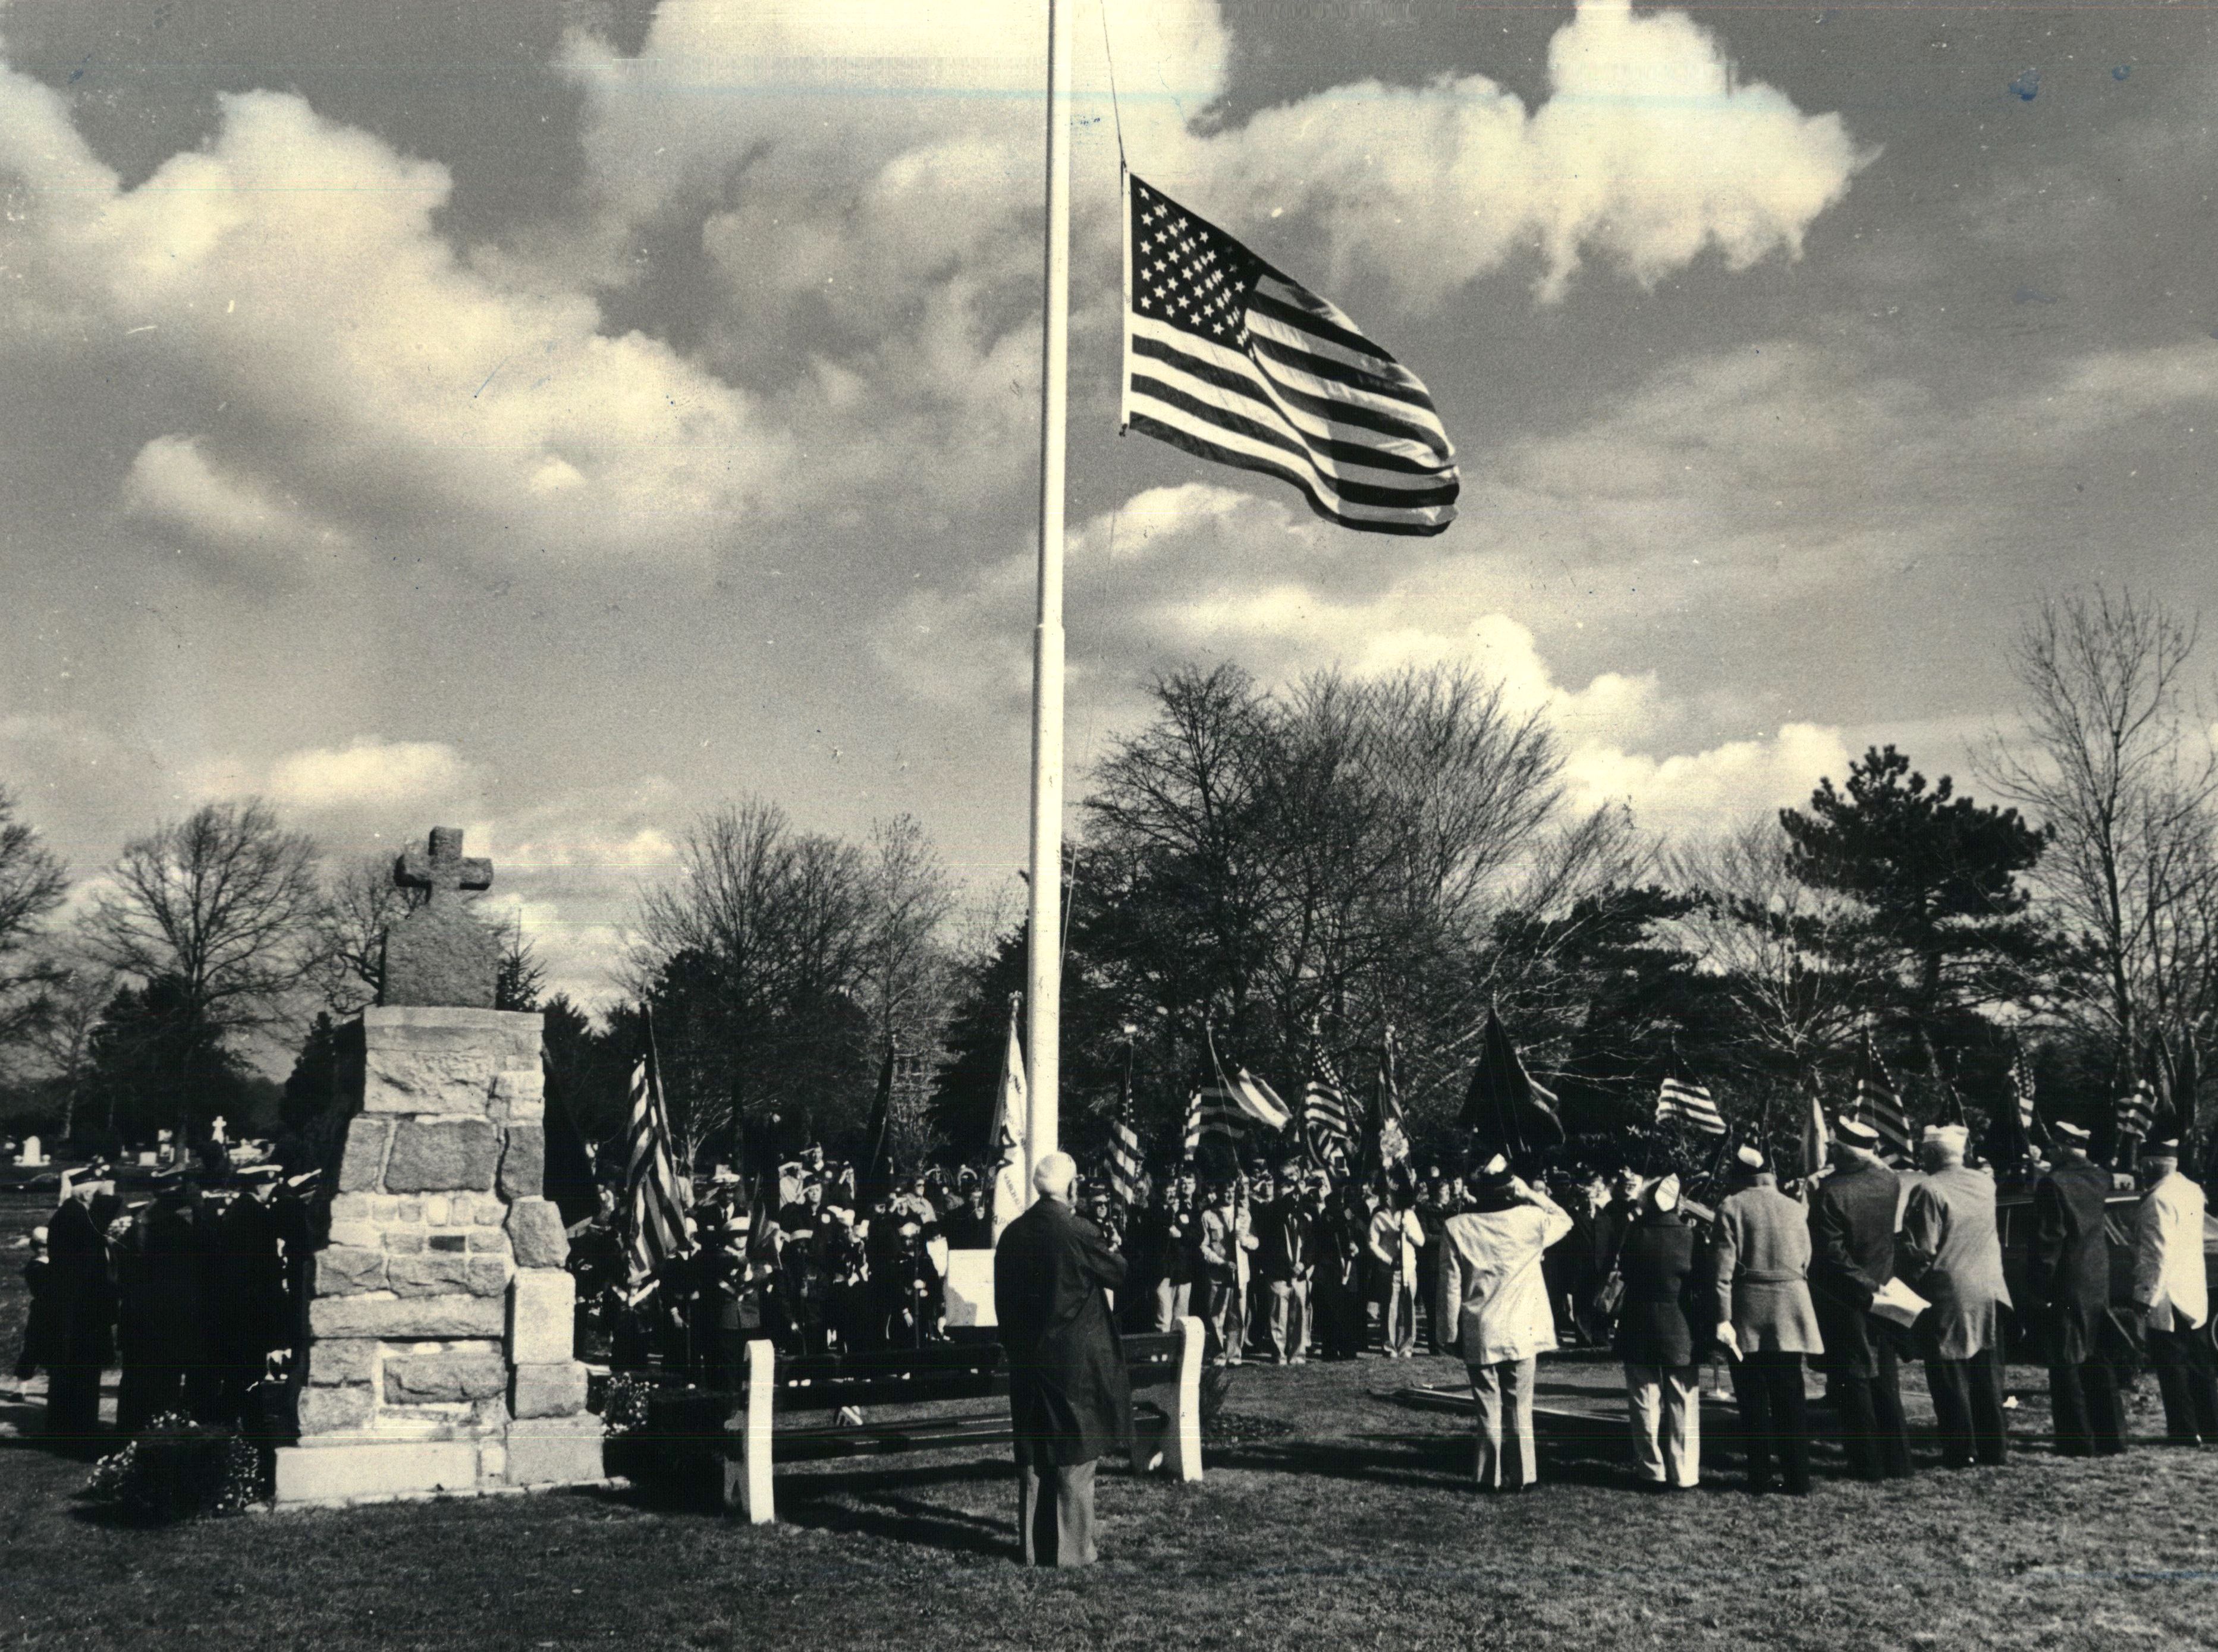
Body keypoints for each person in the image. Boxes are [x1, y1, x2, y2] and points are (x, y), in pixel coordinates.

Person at [993, 1151, 1128, 1568]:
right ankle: (1074, 1550)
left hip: (1028, 1358)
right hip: (1073, 1360)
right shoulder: (1078, 1231)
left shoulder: (1013, 1233)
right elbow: (1121, 1274)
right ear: (1070, 1188)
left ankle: (1033, 1548)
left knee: (1034, 1454)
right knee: (1075, 1452)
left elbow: (1003, 1300)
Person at [1436, 1157, 1574, 1491]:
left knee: (1487, 1407)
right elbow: (1565, 1220)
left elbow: (1449, 1286)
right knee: (1520, 1406)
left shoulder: (1458, 1226)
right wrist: (1530, 1193)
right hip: (1522, 1329)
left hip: (1481, 1327)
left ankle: (1488, 1476)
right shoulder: (1530, 1220)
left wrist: (1447, 1333)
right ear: (1510, 1189)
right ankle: (1524, 1475)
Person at [1711, 1144, 1824, 1495]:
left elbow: (1721, 1274)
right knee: (1791, 1395)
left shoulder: (1731, 1207)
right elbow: (1806, 1258)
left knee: (1753, 1399)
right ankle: (1798, 1478)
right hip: (1792, 1305)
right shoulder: (1794, 1207)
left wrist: (1722, 1318)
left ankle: (1759, 1478)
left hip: (1749, 1309)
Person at [1898, 1123, 2012, 1469]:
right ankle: (1995, 1449)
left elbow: (1922, 1249)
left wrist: (1905, 1278)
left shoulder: (1929, 1190)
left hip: (1949, 1293)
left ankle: (1961, 1450)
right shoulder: (1984, 1183)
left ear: (1932, 1155)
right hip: (1990, 1289)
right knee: (1987, 1374)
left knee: (1949, 1376)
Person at [1808, 1117, 1915, 1480]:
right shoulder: (1889, 1181)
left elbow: (1832, 1255)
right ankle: (1898, 1460)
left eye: (1835, 1148)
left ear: (1844, 1152)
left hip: (1847, 1298)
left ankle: (1867, 1463)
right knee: (1885, 1380)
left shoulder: (1832, 1192)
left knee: (1854, 1383)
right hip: (1885, 1292)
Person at [2030, 1121, 2127, 1456]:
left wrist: (2038, 1287)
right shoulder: (2100, 1178)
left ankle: (2076, 1439)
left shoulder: (2053, 1183)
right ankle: (2112, 1435)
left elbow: (2049, 1241)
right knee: (2097, 1358)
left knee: (2066, 1360)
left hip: (2067, 1279)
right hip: (2096, 1277)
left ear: (2061, 1148)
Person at [1614, 1173, 1703, 1491]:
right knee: (1683, 1398)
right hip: (1680, 1323)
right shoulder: (1691, 1237)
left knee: (1644, 1398)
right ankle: (1684, 1471)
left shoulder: (1635, 1231)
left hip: (1638, 1320)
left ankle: (1651, 1469)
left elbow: (1624, 1269)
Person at [2132, 1136, 2217, 1446]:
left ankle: (2184, 1430)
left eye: (2143, 1164)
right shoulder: (2192, 1191)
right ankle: (2210, 1425)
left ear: (2153, 1164)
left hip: (2168, 1294)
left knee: (2173, 1369)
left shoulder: (2158, 1200)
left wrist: (2145, 1297)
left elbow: (2157, 1255)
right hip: (2193, 1290)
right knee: (2200, 1364)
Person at [43, 1172, 116, 1451]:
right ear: (87, 1194)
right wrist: (108, 1197)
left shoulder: (70, 1215)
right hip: (80, 1311)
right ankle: (78, 1431)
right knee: (81, 1373)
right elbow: (97, 1227)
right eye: (97, 1194)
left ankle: (70, 1428)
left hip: (74, 1309)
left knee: (72, 1372)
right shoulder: (75, 1217)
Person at [1255, 1170, 1317, 1364]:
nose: (1290, 1191)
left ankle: (1297, 1354)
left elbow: (1312, 1243)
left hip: (1299, 1273)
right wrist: (1294, 1193)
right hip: (1278, 1273)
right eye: (1286, 1186)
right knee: (1278, 1317)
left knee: (1299, 1316)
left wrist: (1304, 1264)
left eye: (1292, 1186)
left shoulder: (1304, 1213)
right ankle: (1279, 1354)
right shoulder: (1272, 1210)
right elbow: (1282, 1207)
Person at [1199, 1181, 1256, 1365]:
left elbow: (1256, 1242)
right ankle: (1218, 1354)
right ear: (1218, 1192)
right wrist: (1221, 1263)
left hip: (1240, 1275)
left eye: (1232, 1191)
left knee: (1237, 1315)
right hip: (1218, 1274)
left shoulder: (1244, 1214)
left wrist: (1245, 1240)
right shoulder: (1208, 1216)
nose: (1229, 1195)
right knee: (1216, 1316)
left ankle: (1235, 1355)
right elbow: (1203, 1247)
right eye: (1225, 1191)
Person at [1368, 1186, 1425, 1358]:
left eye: (1389, 1195)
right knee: (1390, 1309)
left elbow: (1421, 1241)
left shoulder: (1408, 1215)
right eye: (1383, 1195)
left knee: (1408, 1308)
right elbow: (1372, 1243)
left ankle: (1407, 1346)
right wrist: (1389, 1260)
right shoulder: (1378, 1218)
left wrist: (1407, 1230)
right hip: (1389, 1270)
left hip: (1409, 1270)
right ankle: (1389, 1346)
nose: (1386, 1198)